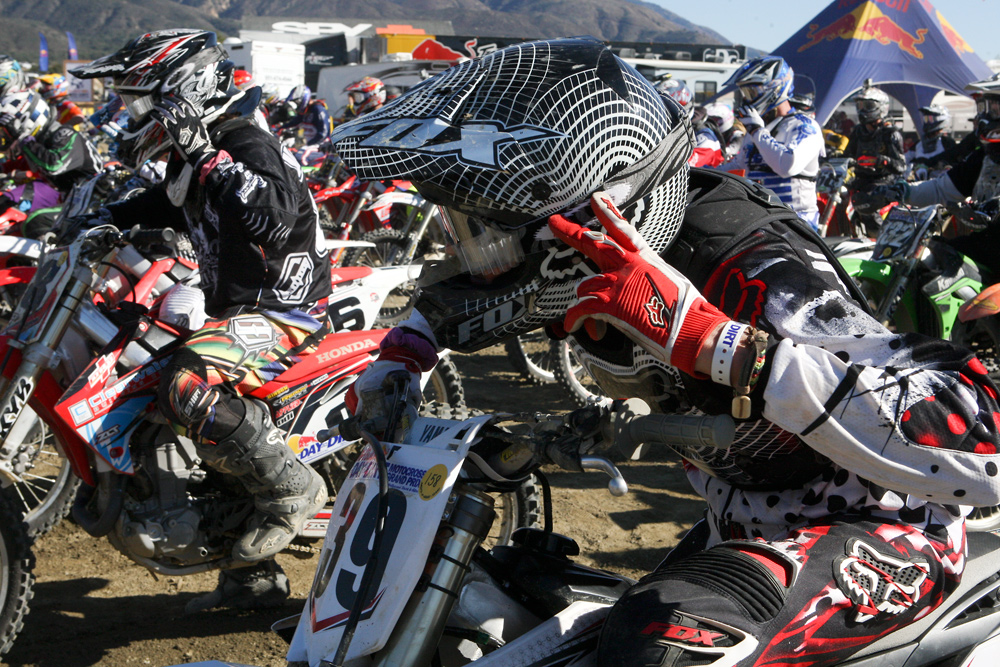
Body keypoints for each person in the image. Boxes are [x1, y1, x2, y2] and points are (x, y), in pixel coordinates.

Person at [329, 37, 1000, 666]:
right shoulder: (587, 261)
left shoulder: (751, 269)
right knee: (515, 595)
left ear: (596, 212)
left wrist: (713, 340)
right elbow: (469, 292)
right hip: (741, 520)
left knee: (658, 646)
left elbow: (983, 425)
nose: (477, 252)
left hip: (880, 523)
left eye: (488, 233)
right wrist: (402, 355)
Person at [71, 29, 331, 612]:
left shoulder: (245, 140)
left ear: (184, 93)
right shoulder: (201, 150)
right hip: (233, 309)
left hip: (286, 312)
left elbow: (272, 217)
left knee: (185, 385)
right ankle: (251, 575)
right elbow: (162, 206)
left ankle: (294, 489)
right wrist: (100, 216)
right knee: (137, 367)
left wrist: (205, 153)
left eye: (143, 102)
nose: (132, 114)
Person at [875, 72, 1000, 278]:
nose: (986, 115)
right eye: (985, 107)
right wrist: (902, 191)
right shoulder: (985, 157)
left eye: (995, 108)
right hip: (987, 243)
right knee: (930, 262)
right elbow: (942, 189)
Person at [717, 55, 825, 231]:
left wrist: (758, 131)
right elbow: (739, 164)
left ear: (774, 89)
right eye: (745, 93)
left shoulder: (804, 126)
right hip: (761, 220)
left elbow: (787, 166)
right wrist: (696, 171)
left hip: (797, 223)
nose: (747, 99)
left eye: (752, 92)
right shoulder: (759, 127)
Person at [0, 89, 100, 237]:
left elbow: (53, 165)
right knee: (8, 207)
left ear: (26, 121)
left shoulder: (65, 133)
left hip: (94, 202)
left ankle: (51, 260)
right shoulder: (42, 141)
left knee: (37, 221)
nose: (6, 137)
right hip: (70, 199)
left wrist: (23, 137)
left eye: (8, 131)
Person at [844, 81, 906, 235]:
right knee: (838, 198)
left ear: (881, 107)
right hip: (860, 180)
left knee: (865, 204)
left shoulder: (890, 133)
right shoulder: (858, 131)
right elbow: (847, 155)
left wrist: (882, 160)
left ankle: (881, 239)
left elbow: (901, 166)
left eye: (868, 106)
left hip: (883, 182)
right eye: (860, 106)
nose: (862, 110)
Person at [906, 104, 956, 180]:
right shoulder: (919, 144)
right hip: (919, 185)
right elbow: (905, 160)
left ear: (940, 120)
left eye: (930, 119)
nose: (928, 122)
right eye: (926, 119)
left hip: (941, 185)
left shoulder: (947, 143)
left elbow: (955, 162)